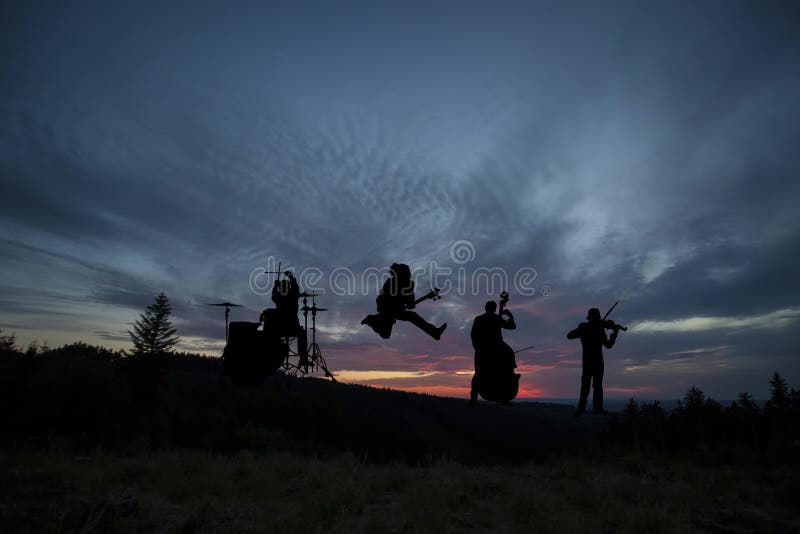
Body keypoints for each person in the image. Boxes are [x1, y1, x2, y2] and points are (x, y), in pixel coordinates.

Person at [361, 263, 447, 340]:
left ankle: (435, 333)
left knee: (386, 334)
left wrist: (409, 303)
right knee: (410, 317)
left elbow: (411, 304)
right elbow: (382, 297)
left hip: (396, 310)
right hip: (385, 308)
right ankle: (373, 319)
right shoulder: (391, 282)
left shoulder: (410, 284)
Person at [567, 307, 619, 416]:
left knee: (595, 386)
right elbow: (569, 335)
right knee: (590, 386)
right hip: (593, 362)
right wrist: (613, 333)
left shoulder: (599, 328)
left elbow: (608, 345)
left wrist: (614, 335)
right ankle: (586, 409)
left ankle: (594, 409)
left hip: (594, 362)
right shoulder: (586, 327)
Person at [469, 300, 517, 406]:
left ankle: (473, 400)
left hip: (482, 351)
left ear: (485, 308)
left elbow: (473, 335)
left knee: (478, 374)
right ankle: (504, 397)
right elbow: (512, 326)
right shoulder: (496, 318)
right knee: (503, 372)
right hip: (496, 348)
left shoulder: (479, 319)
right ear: (494, 309)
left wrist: (477, 347)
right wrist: (510, 316)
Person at [268, 271, 308, 367]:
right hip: (292, 327)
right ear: (289, 287)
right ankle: (303, 358)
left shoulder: (278, 297)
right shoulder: (292, 296)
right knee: (302, 333)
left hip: (279, 329)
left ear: (280, 288)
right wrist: (291, 276)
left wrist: (275, 286)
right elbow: (296, 289)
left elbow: (273, 295)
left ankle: (272, 357)